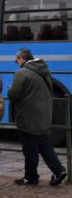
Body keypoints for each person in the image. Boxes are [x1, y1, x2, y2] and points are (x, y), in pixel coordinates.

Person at [8, 48, 68, 187]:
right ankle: (59, 170)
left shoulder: (22, 73)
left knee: (30, 148)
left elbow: (13, 95)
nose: (15, 61)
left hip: (28, 116)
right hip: (44, 114)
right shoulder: (44, 70)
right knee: (44, 144)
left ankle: (31, 177)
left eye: (17, 58)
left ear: (22, 58)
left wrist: (10, 88)